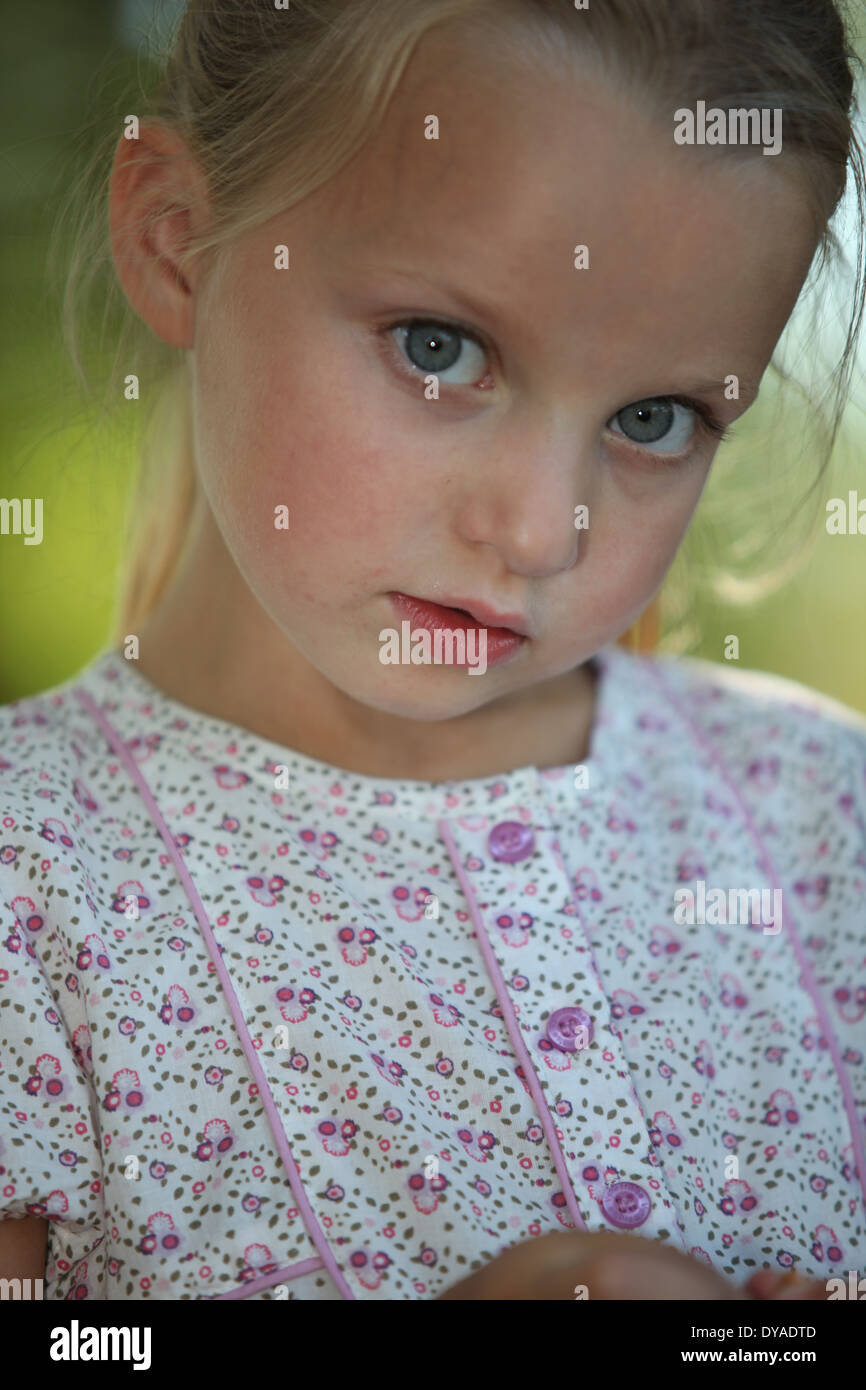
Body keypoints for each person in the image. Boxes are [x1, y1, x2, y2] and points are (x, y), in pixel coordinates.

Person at [1, 0, 863, 1301]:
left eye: (652, 415)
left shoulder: (823, 817)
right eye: (438, 348)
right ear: (177, 242)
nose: (535, 531)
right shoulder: (29, 885)